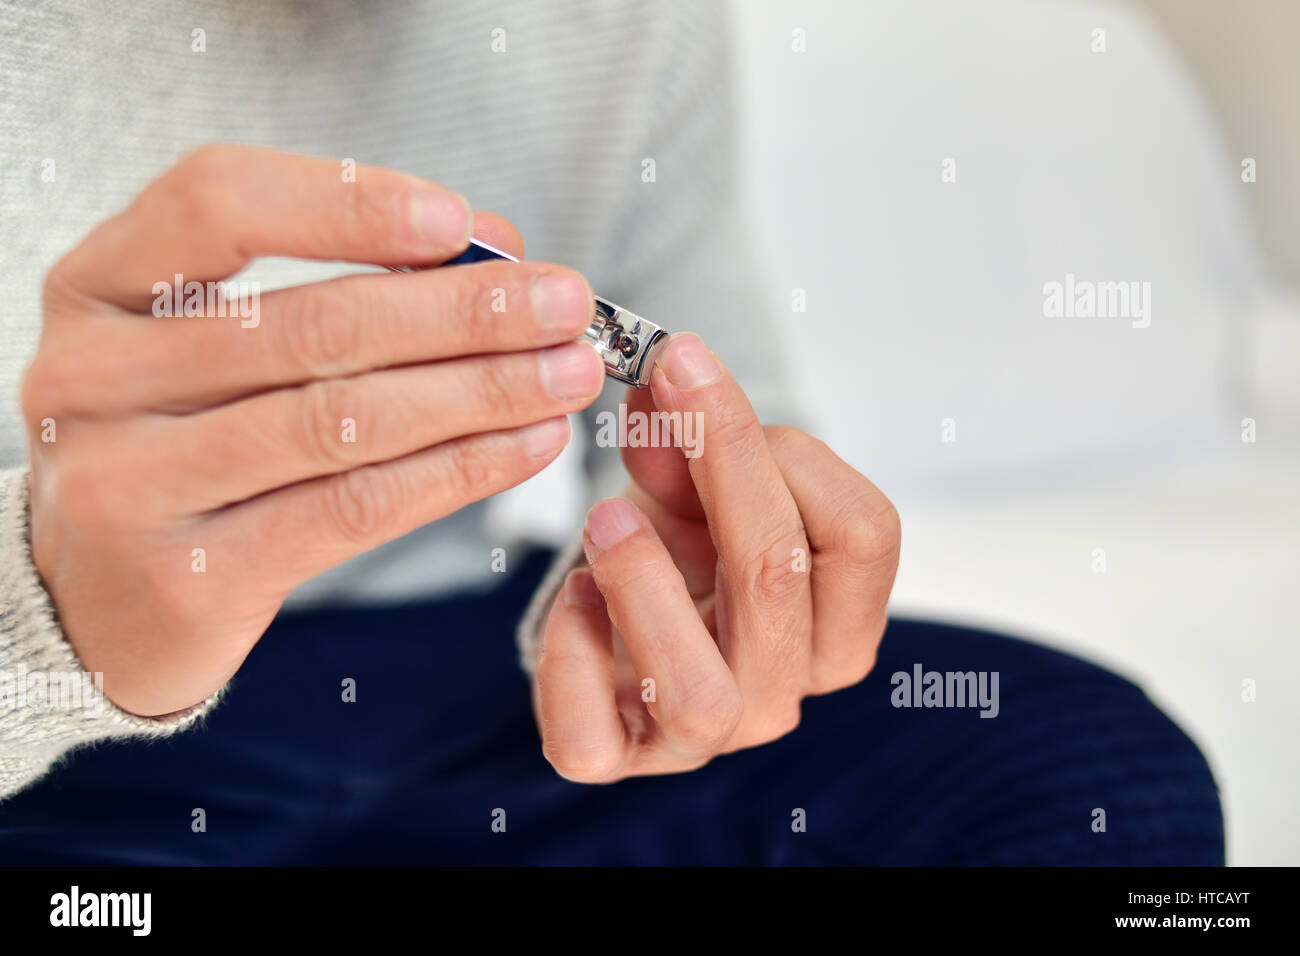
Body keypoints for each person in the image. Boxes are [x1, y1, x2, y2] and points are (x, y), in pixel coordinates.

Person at [0, 0, 1221, 864]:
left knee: (1084, 770)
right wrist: (53, 623)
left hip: (485, 694)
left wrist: (720, 600)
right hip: (52, 773)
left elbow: (718, 419)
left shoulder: (626, 19)